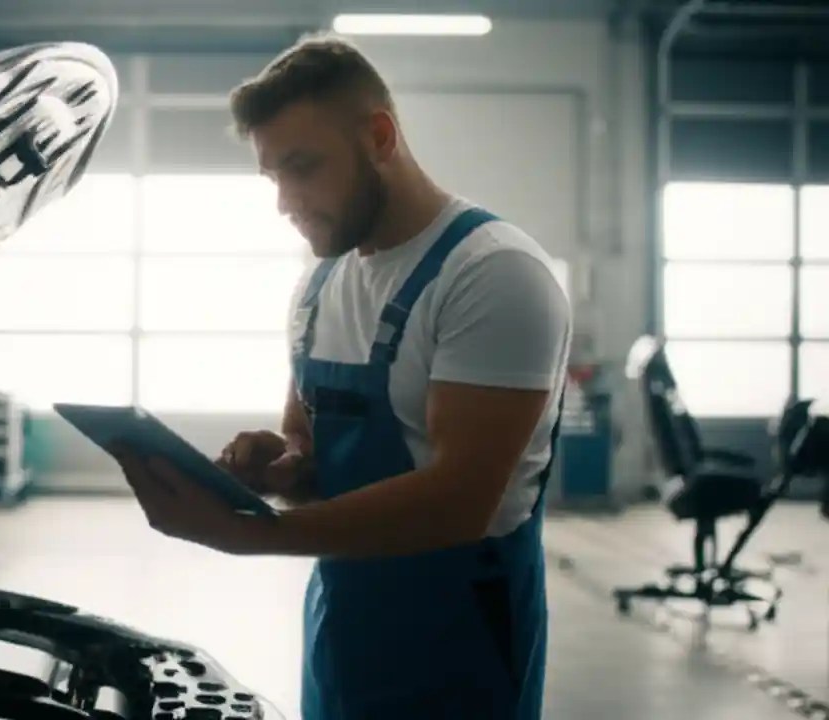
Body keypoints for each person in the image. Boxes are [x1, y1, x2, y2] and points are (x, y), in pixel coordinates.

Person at [111, 34, 572, 720]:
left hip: (462, 648)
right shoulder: (320, 284)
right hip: (343, 634)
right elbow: (309, 446)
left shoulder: (493, 274)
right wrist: (277, 466)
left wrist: (256, 536)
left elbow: (462, 499)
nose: (285, 201)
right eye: (273, 176)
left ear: (380, 136)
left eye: (303, 167)